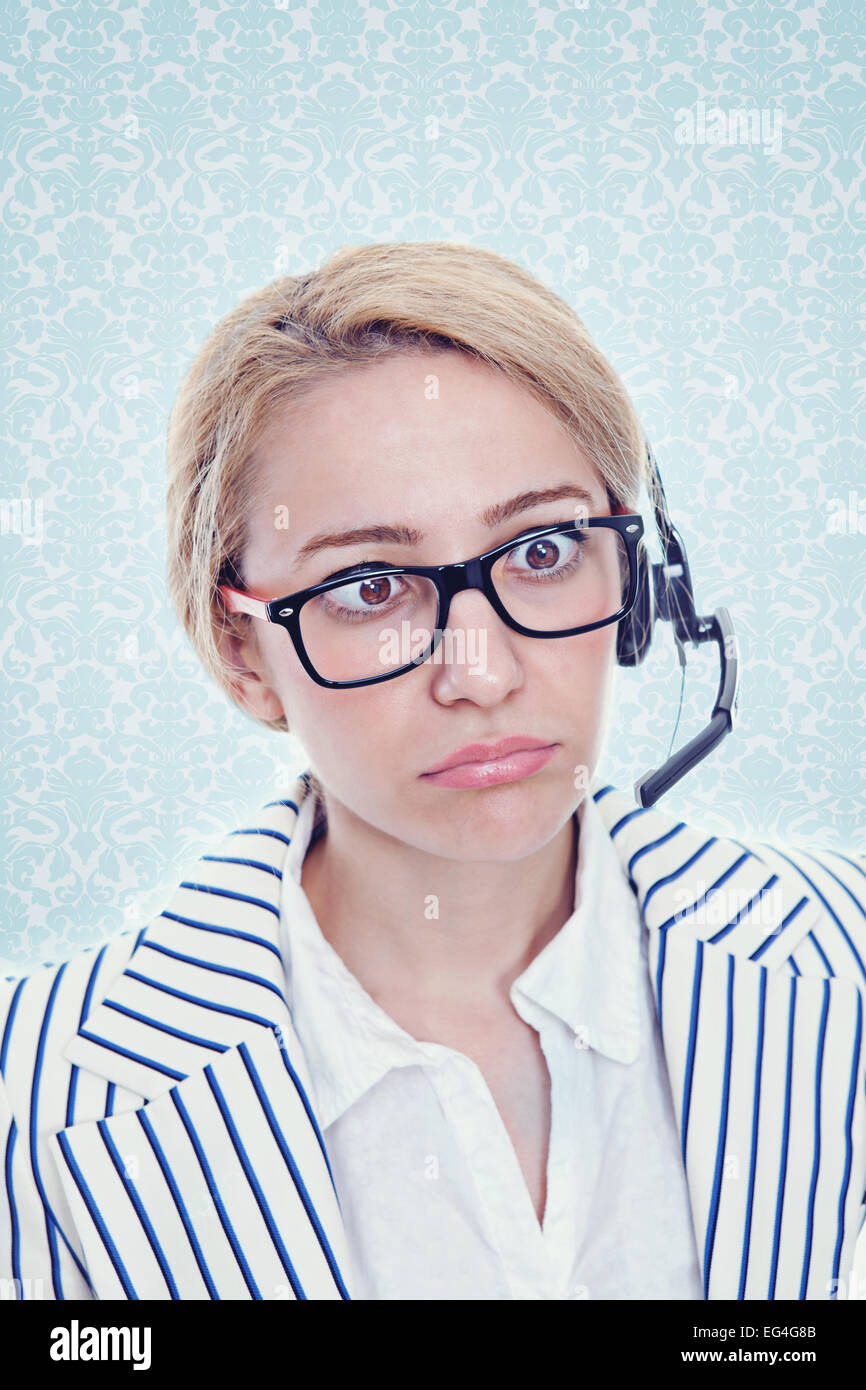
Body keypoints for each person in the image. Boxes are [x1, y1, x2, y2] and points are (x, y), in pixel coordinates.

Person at [2, 241, 864, 1302]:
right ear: (242, 653)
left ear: (640, 584)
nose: (483, 673)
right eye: (368, 586)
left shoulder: (842, 955)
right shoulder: (34, 1094)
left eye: (542, 551)